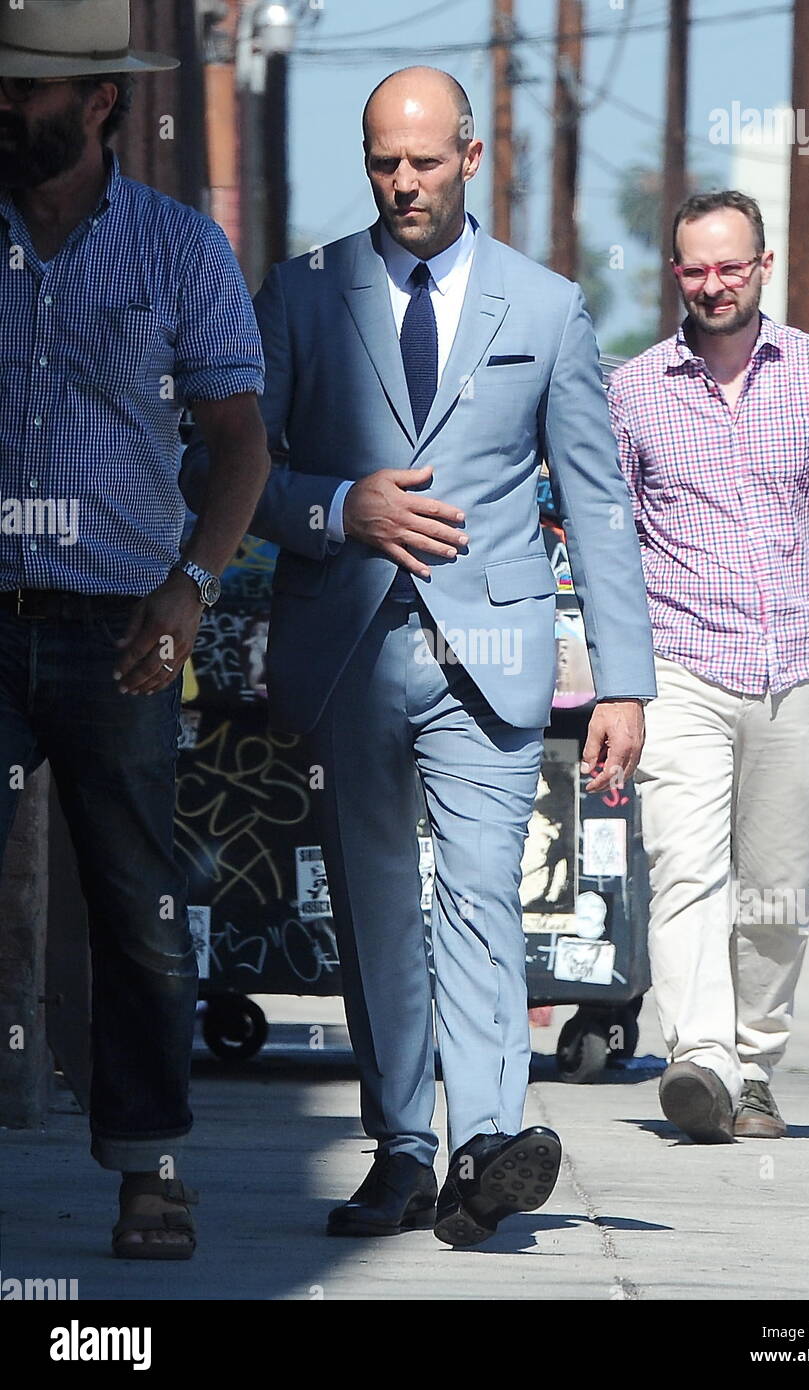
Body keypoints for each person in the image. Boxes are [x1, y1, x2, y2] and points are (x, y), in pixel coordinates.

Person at [182, 66, 655, 1246]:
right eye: (383, 162)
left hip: (490, 650)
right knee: (380, 903)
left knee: (483, 893)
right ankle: (400, 1148)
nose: (402, 182)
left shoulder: (547, 308)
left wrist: (623, 678)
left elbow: (595, 502)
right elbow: (217, 468)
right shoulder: (298, 293)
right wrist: (342, 507)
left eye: (424, 161)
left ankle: (487, 1140)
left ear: (472, 157)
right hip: (345, 647)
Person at [0, 0, 270, 1256]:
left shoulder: (175, 250)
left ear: (103, 99)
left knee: (137, 906)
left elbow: (237, 444)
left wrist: (190, 588)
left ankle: (149, 1164)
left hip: (123, 625)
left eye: (30, 92)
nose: (6, 107)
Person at [608, 190, 809, 1143]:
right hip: (681, 664)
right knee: (682, 865)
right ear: (673, 273)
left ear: (763, 266)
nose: (712, 283)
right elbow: (609, 535)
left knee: (772, 887)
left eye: (730, 266)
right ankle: (700, 1060)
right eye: (694, 268)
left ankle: (755, 1062)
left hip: (795, 667)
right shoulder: (635, 390)